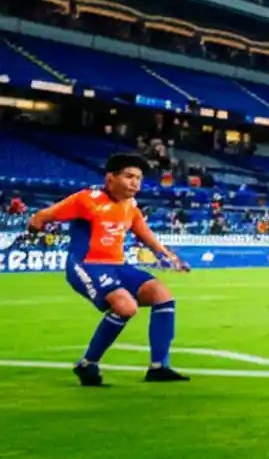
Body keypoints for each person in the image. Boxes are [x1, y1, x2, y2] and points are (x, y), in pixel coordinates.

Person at [23, 153, 191, 386]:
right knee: (126, 306)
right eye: (129, 176)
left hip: (117, 265)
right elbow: (42, 216)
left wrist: (169, 256)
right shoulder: (86, 199)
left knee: (162, 295)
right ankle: (88, 363)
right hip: (86, 264)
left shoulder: (130, 205)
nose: (135, 183)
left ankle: (159, 367)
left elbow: (144, 233)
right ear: (110, 179)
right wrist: (34, 232)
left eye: (139, 178)